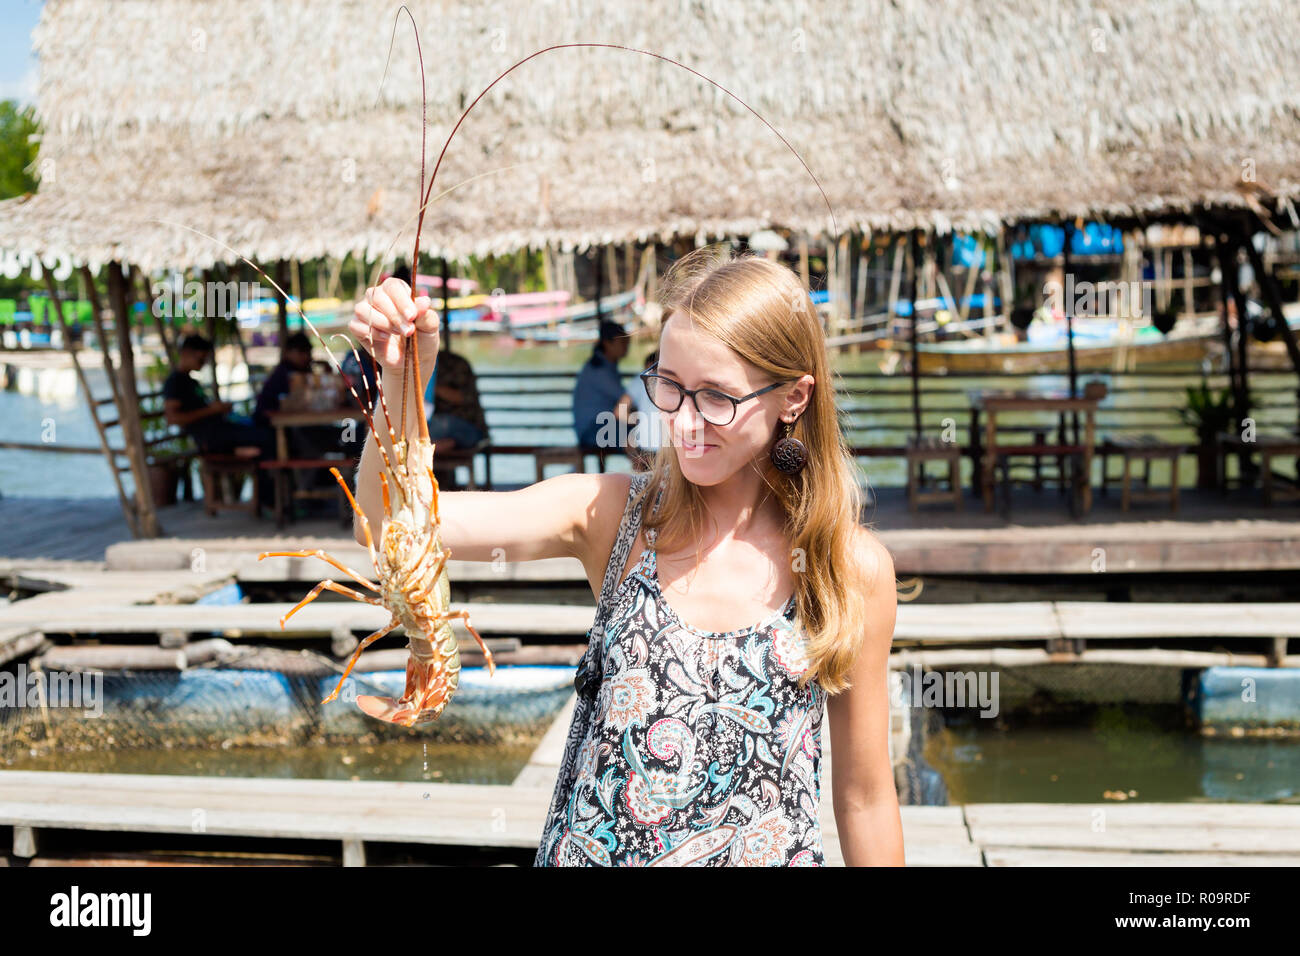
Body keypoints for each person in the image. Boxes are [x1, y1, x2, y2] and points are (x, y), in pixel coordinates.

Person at [345, 245, 902, 867]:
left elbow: (865, 798)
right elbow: (395, 521)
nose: (684, 423)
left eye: (717, 397)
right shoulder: (612, 515)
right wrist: (402, 379)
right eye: (669, 385)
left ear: (794, 398)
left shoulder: (848, 567)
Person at [163, 334, 276, 503]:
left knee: (266, 428)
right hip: (211, 439)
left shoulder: (191, 381)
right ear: (187, 353)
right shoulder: (175, 382)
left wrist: (217, 410)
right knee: (268, 438)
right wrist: (211, 410)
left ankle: (269, 498)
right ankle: (268, 500)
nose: (203, 363)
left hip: (220, 431)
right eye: (201, 359)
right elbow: (172, 418)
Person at [572, 320, 634, 452]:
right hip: (591, 431)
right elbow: (627, 398)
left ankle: (643, 469)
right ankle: (643, 470)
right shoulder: (599, 369)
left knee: (638, 430)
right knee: (637, 433)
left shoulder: (603, 364)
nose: (627, 345)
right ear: (607, 343)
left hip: (600, 426)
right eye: (622, 341)